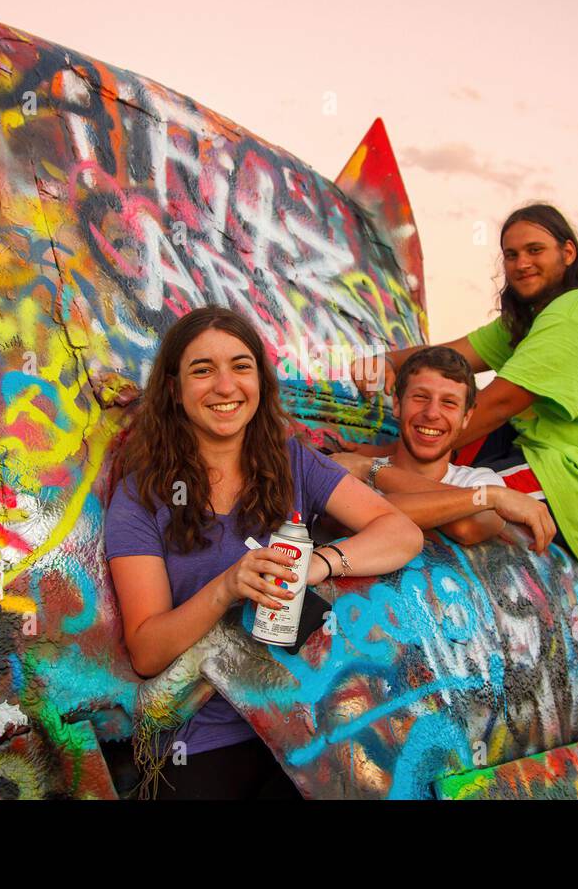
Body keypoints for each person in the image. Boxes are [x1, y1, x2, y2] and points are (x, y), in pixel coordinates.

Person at [104, 305, 422, 799]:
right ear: (174, 389)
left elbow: (401, 533)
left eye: (241, 366)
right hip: (204, 739)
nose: (226, 386)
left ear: (260, 381)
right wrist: (226, 587)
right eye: (202, 370)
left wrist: (319, 564)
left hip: (308, 727)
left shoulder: (293, 461)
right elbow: (147, 650)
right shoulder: (141, 497)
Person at [348, 204, 578, 563]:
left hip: (576, 473)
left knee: (458, 504)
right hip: (534, 444)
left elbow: (497, 404)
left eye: (535, 250)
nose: (521, 263)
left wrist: (375, 457)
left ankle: (354, 491)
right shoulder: (531, 319)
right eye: (511, 255)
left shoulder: (576, 313)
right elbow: (451, 356)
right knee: (440, 406)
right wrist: (388, 360)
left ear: (568, 253)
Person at [326, 346, 559, 555]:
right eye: (420, 397)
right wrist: (488, 498)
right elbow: (353, 516)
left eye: (448, 402)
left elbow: (469, 526)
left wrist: (370, 469)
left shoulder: (480, 480)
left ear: (466, 417)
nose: (432, 413)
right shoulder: (484, 492)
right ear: (397, 404)